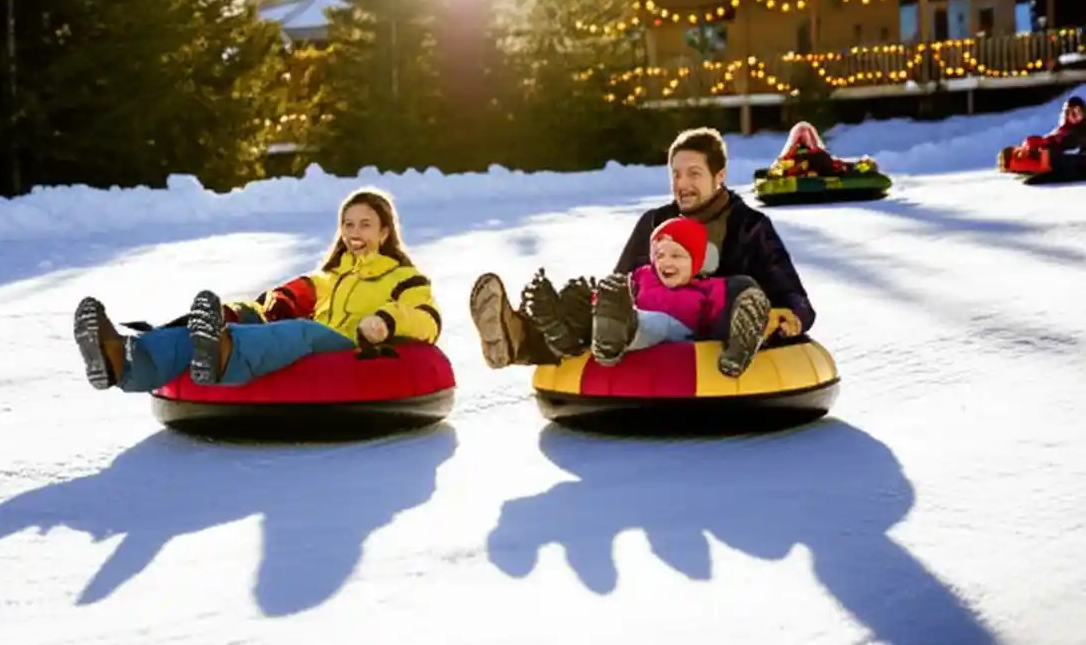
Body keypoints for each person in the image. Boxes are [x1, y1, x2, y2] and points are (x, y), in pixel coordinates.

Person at [469, 126, 813, 369]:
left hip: (710, 326)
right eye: (676, 174)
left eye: (694, 174)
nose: (683, 184)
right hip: (648, 323)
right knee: (588, 303)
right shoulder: (656, 222)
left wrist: (789, 318)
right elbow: (623, 284)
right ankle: (518, 336)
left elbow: (792, 295)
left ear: (719, 176)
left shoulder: (750, 227)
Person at [73, 188, 442, 392]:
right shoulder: (330, 276)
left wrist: (385, 321)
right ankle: (124, 360)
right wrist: (236, 314)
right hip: (321, 343)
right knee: (230, 320)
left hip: (350, 350)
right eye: (348, 224)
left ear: (384, 232)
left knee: (306, 330)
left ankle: (224, 357)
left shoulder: (405, 278)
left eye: (365, 224)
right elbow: (280, 301)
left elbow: (428, 320)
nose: (355, 233)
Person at [531, 217, 771, 377]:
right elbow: (613, 299)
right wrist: (592, 302)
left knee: (654, 323)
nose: (666, 262)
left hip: (677, 329)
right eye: (660, 255)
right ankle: (562, 331)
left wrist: (741, 324)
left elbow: (731, 309)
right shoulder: (642, 276)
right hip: (633, 318)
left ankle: (612, 338)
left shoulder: (710, 288)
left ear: (697, 263)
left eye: (677, 256)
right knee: (600, 304)